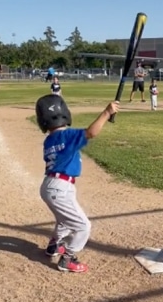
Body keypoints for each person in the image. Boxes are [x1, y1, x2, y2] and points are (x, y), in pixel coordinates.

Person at [36, 95, 120, 273]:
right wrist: (107, 112)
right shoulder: (67, 134)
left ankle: (54, 246)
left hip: (50, 185)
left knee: (64, 221)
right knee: (83, 226)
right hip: (60, 187)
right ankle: (68, 258)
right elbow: (91, 132)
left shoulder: (49, 140)